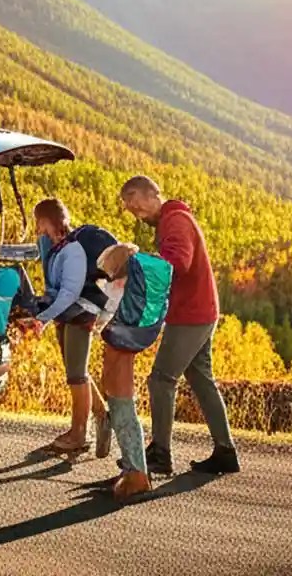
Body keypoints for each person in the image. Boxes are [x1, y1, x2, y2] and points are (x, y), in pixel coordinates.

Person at [120, 175, 239, 475]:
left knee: (161, 379)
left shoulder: (174, 221)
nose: (136, 213)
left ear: (152, 194)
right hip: (200, 311)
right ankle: (225, 452)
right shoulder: (173, 219)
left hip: (191, 315)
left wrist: (136, 263)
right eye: (131, 209)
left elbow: (178, 263)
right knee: (200, 379)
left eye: (137, 205)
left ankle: (160, 454)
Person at [24, 198, 109, 457]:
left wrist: (43, 318)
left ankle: (78, 434)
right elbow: (54, 287)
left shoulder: (73, 249)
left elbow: (70, 293)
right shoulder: (51, 244)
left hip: (81, 312)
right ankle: (102, 415)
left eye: (39, 220)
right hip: (65, 312)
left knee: (76, 374)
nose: (37, 227)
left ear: (49, 219)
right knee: (75, 368)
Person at [94, 242, 173, 500]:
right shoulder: (136, 290)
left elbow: (103, 314)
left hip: (122, 339)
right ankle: (133, 469)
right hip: (133, 335)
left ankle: (136, 474)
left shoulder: (120, 286)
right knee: (120, 397)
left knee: (121, 399)